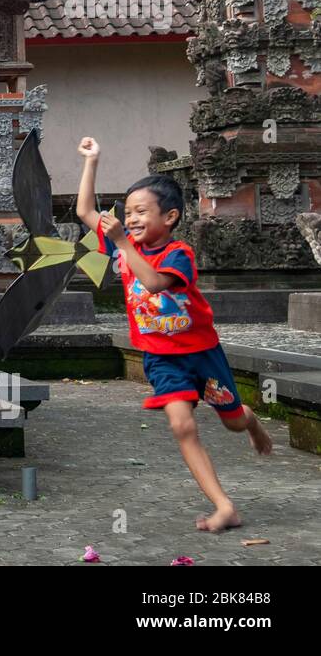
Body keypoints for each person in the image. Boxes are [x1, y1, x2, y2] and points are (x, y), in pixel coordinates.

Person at [75, 137, 272, 533]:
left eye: (140, 212)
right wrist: (92, 161)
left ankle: (250, 422)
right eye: (127, 212)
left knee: (232, 422)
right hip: (161, 356)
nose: (130, 219)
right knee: (182, 425)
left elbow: (152, 285)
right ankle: (224, 506)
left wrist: (119, 242)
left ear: (170, 217)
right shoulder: (125, 244)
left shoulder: (177, 254)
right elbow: (84, 210)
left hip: (202, 353)